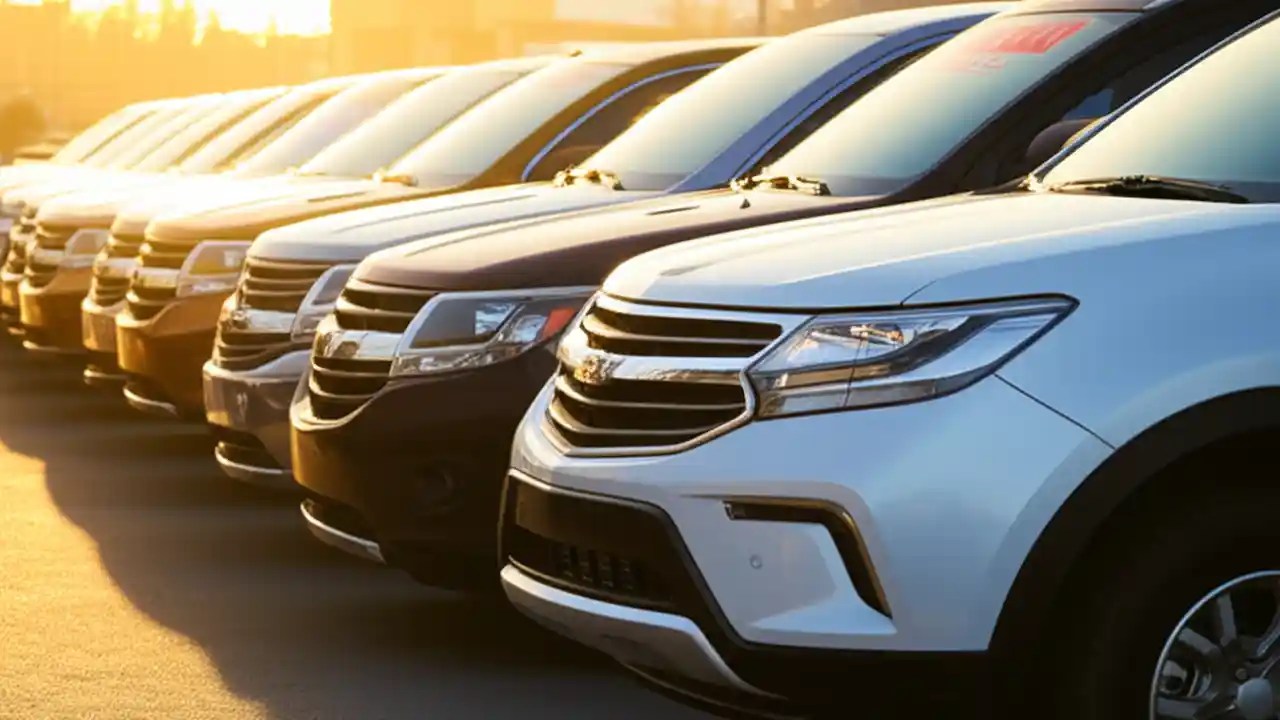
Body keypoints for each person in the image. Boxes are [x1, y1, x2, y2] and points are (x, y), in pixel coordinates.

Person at [0, 92, 48, 164]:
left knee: (8, 154)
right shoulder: (18, 108)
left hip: (9, 137)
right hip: (9, 137)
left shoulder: (12, 107)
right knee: (8, 154)